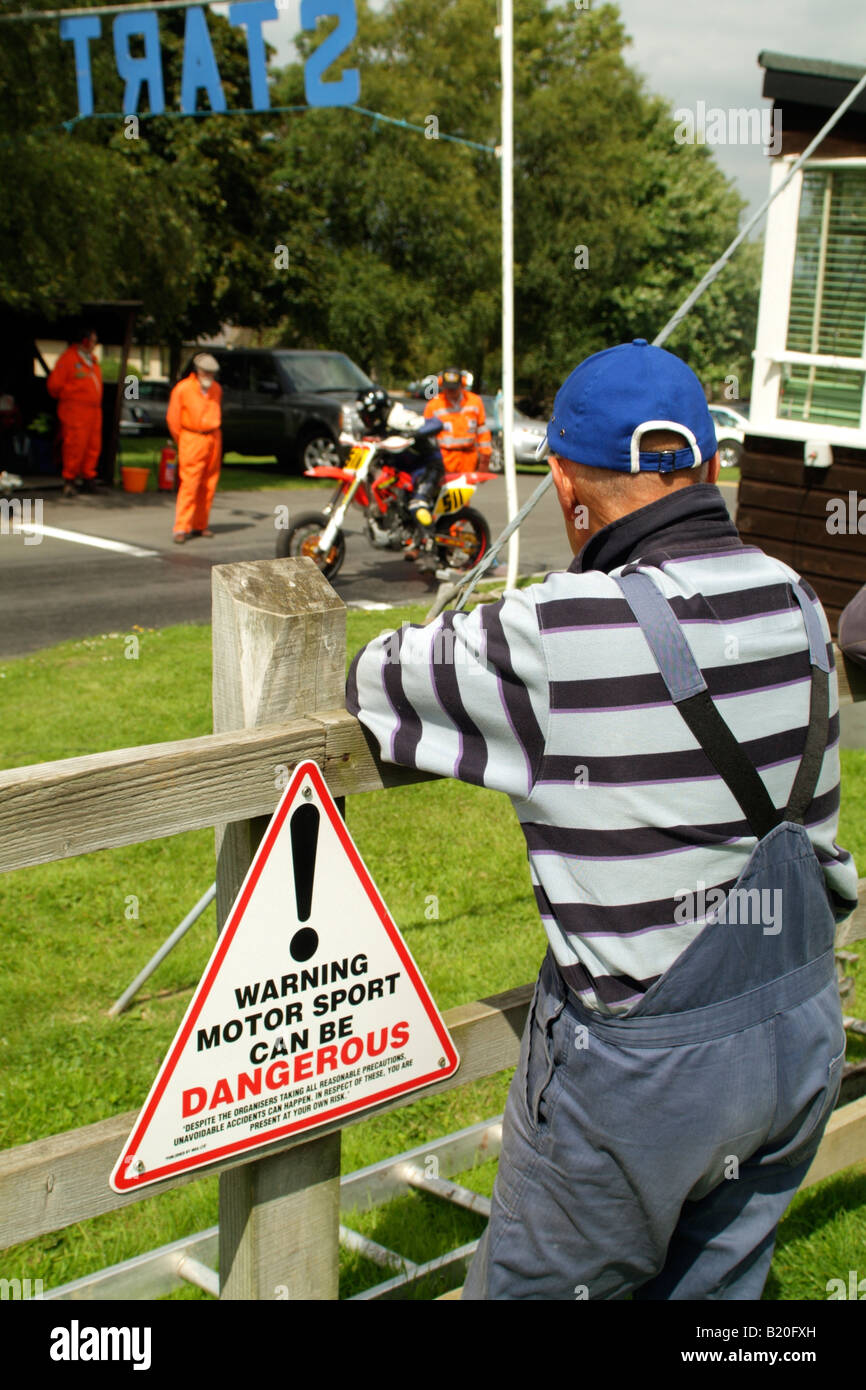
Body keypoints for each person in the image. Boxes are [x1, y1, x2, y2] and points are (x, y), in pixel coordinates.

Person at [346, 338, 859, 1300]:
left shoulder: (557, 632)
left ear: (569, 489)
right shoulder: (795, 597)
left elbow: (375, 678)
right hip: (797, 1029)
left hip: (644, 1085)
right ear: (709, 467)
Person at [356, 386, 445, 565]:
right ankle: (408, 536)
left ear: (376, 411)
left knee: (417, 505)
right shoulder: (379, 424)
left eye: (367, 416)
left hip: (426, 466)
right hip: (404, 469)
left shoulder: (399, 417)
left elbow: (436, 423)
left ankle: (431, 545)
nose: (366, 420)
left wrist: (413, 434)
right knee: (396, 502)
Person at [167, 353, 222, 544]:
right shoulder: (182, 389)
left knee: (209, 483)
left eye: (211, 373)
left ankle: (200, 524)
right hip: (191, 437)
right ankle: (181, 527)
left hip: (213, 437)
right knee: (190, 484)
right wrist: (182, 440)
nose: (208, 376)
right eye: (205, 372)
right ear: (197, 371)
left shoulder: (216, 389)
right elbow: (173, 419)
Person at [46, 327, 103, 498]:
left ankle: (88, 477)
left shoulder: (91, 360)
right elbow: (54, 386)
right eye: (93, 341)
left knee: (92, 445)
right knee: (75, 445)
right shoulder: (69, 359)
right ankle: (69, 480)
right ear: (84, 341)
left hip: (93, 410)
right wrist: (70, 397)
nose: (94, 345)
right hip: (75, 410)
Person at [423, 367, 492, 473]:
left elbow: (483, 432)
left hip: (468, 459)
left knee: (467, 489)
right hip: (444, 459)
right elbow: (427, 436)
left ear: (462, 385)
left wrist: (485, 460)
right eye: (448, 388)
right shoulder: (434, 406)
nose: (451, 391)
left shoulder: (474, 402)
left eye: (454, 388)